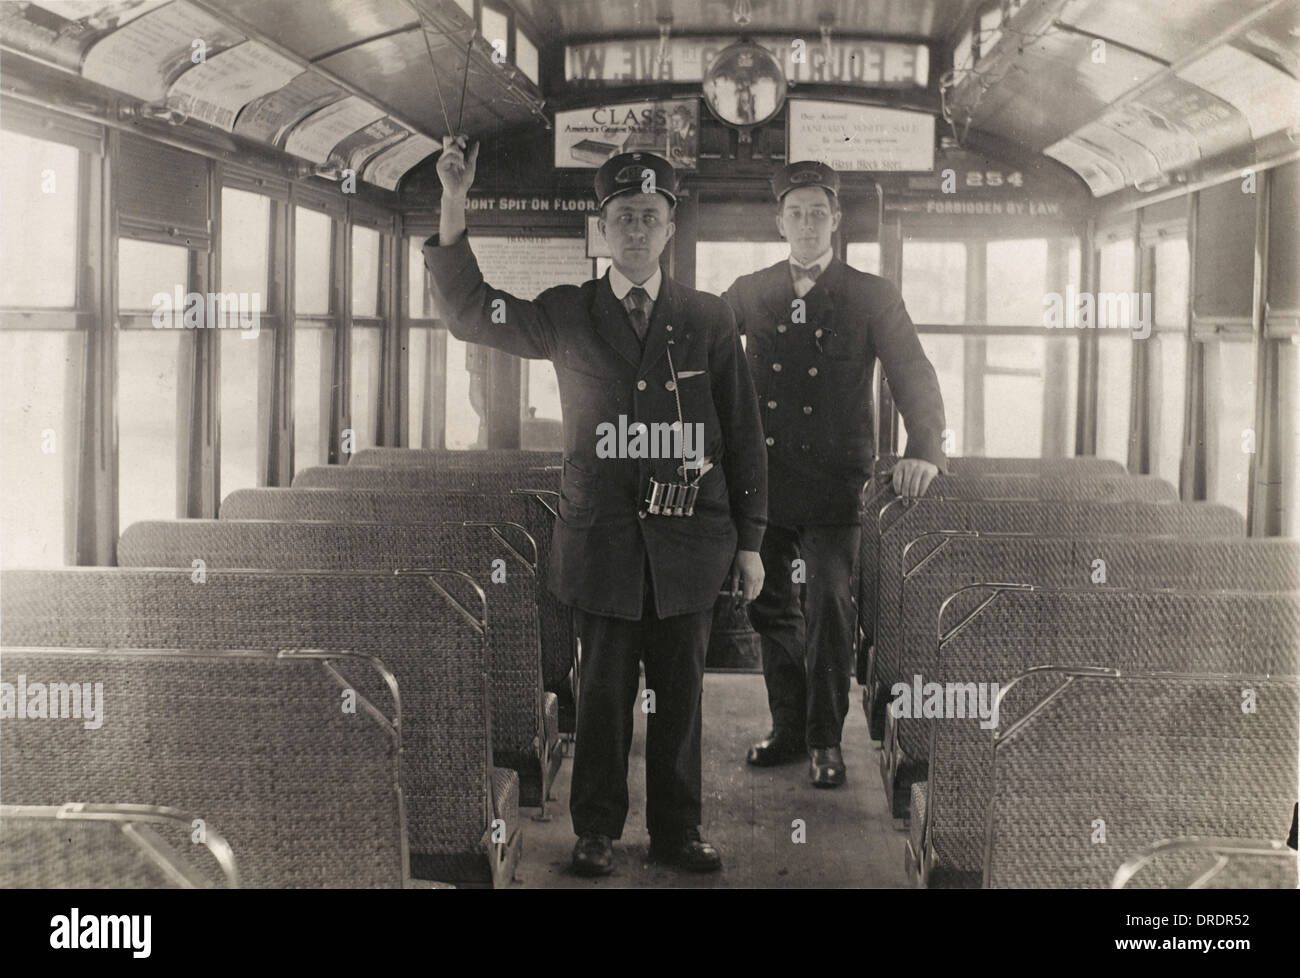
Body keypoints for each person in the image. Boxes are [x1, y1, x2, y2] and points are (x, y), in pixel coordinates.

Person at [426, 140, 767, 876]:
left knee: (681, 699)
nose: (637, 230)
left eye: (650, 215)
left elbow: (743, 436)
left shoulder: (709, 320)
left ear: (670, 228)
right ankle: (597, 829)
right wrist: (456, 201)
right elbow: (469, 312)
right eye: (623, 216)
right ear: (602, 228)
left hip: (688, 541)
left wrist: (752, 541)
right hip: (603, 540)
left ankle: (679, 829)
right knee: (604, 692)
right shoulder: (565, 312)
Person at [721, 160, 947, 788]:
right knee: (769, 605)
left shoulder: (872, 294)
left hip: (835, 485)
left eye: (818, 213)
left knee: (827, 602)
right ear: (780, 221)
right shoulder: (749, 291)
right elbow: (703, 358)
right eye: (795, 213)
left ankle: (826, 740)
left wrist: (922, 446)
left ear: (837, 221)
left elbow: (914, 374)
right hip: (763, 482)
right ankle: (788, 728)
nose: (807, 224)